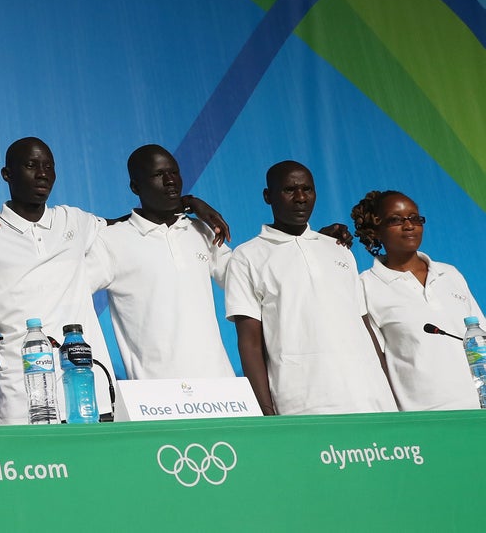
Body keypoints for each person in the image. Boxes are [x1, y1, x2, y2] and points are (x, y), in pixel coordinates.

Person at [0, 137, 227, 424]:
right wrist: (13, 349)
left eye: (49, 166)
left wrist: (188, 203)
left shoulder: (74, 220)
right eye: (31, 165)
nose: (42, 173)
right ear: (7, 174)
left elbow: (132, 223)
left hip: (90, 394)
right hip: (26, 401)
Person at [225, 161, 396, 415]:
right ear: (268, 196)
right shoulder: (247, 256)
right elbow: (249, 343)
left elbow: (364, 324)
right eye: (289, 190)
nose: (301, 198)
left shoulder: (338, 249)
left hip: (371, 399)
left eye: (307, 189)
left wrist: (387, 389)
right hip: (305, 404)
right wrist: (266, 412)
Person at [84, 144, 236, 379]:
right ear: (135, 186)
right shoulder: (111, 241)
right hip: (159, 399)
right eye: (158, 175)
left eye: (174, 172)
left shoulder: (201, 232)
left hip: (220, 386)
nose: (170, 181)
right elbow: (70, 293)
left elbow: (244, 282)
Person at [352, 190, 483, 411]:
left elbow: (480, 339)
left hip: (478, 409)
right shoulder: (366, 286)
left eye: (415, 218)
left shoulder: (450, 274)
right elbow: (376, 364)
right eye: (396, 220)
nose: (409, 225)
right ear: (376, 229)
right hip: (423, 418)